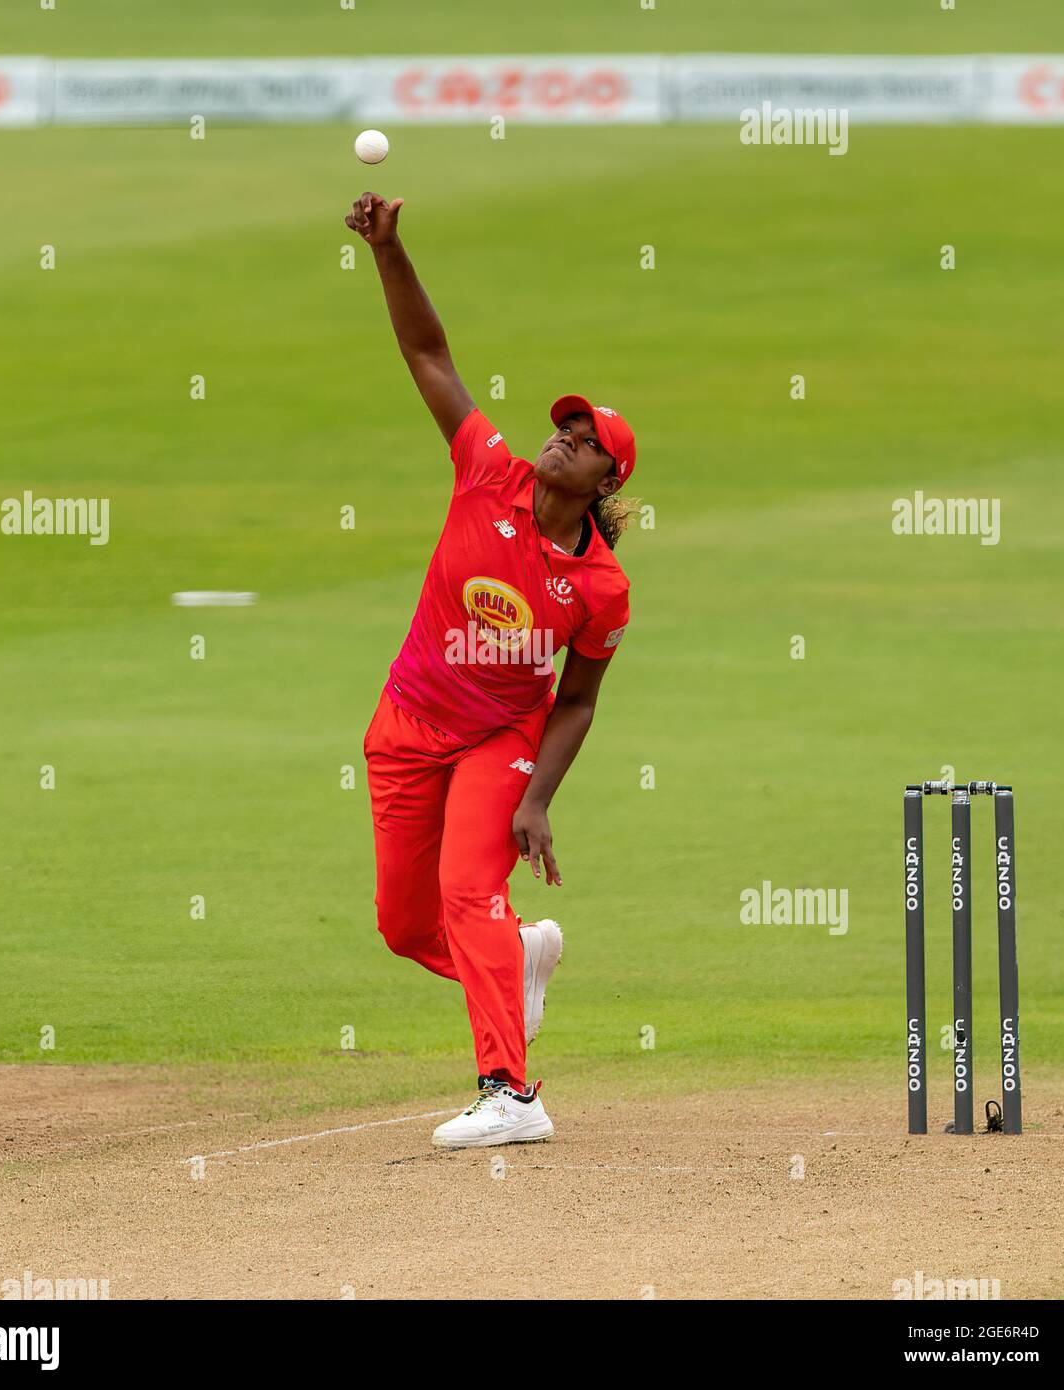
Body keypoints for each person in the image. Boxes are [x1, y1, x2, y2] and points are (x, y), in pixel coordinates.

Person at [346, 190, 638, 1148]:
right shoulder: (486, 471)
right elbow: (429, 357)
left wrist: (538, 795)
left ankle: (510, 1094)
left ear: (606, 481)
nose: (564, 437)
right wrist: (390, 251)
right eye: (565, 426)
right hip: (404, 724)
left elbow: (579, 701)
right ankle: (517, 965)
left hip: (499, 739)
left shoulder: (598, 587)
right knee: (406, 926)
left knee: (469, 891)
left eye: (587, 440)